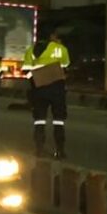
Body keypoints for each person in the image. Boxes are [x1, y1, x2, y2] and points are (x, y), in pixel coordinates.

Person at [22, 29, 71, 159]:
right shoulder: (60, 48)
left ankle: (39, 150)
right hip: (57, 89)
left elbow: (26, 71)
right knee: (58, 121)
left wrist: (36, 77)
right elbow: (65, 65)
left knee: (39, 120)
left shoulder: (31, 50)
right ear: (52, 36)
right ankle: (60, 151)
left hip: (39, 90)